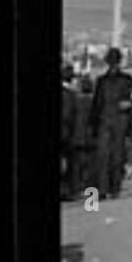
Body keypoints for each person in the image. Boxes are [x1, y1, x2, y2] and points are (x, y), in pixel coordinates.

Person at [90, 48, 132, 199]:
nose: (113, 64)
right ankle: (104, 190)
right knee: (104, 155)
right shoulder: (102, 80)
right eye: (111, 62)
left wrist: (131, 103)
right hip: (107, 119)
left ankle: (113, 188)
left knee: (116, 155)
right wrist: (93, 123)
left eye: (114, 61)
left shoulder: (126, 78)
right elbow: (96, 103)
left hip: (118, 119)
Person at [60, 64, 79, 200]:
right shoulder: (70, 95)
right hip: (65, 133)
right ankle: (66, 191)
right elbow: (67, 116)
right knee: (68, 163)